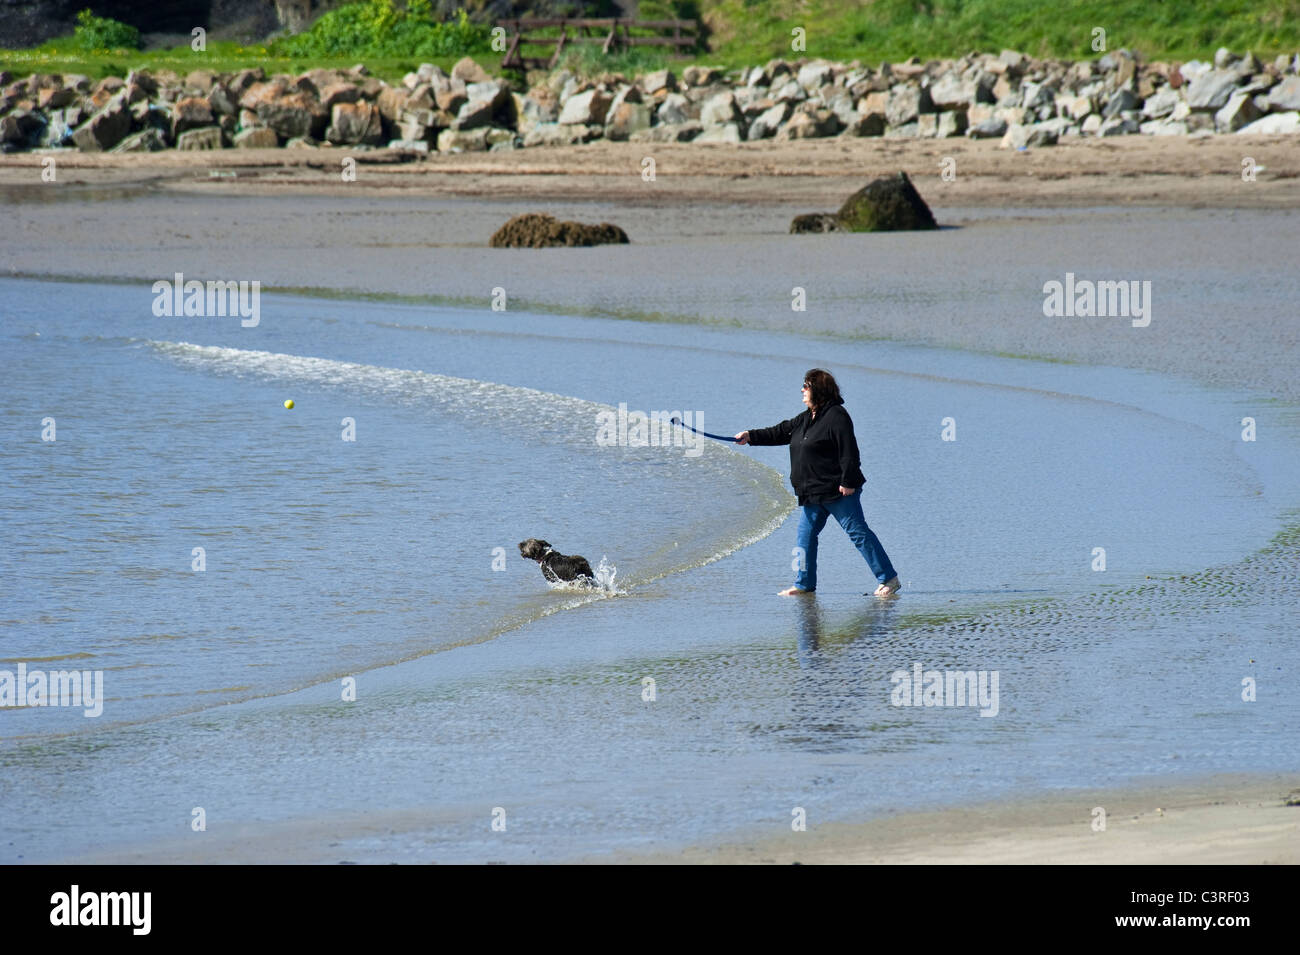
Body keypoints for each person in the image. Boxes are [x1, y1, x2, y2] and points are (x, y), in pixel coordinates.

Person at [736, 368, 901, 597]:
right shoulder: (806, 418)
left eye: (807, 386)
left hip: (839, 491)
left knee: (858, 533)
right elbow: (780, 432)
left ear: (819, 390)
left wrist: (848, 481)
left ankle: (889, 579)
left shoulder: (837, 416)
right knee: (804, 538)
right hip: (813, 493)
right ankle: (804, 584)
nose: (802, 390)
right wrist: (751, 436)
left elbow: (849, 451)